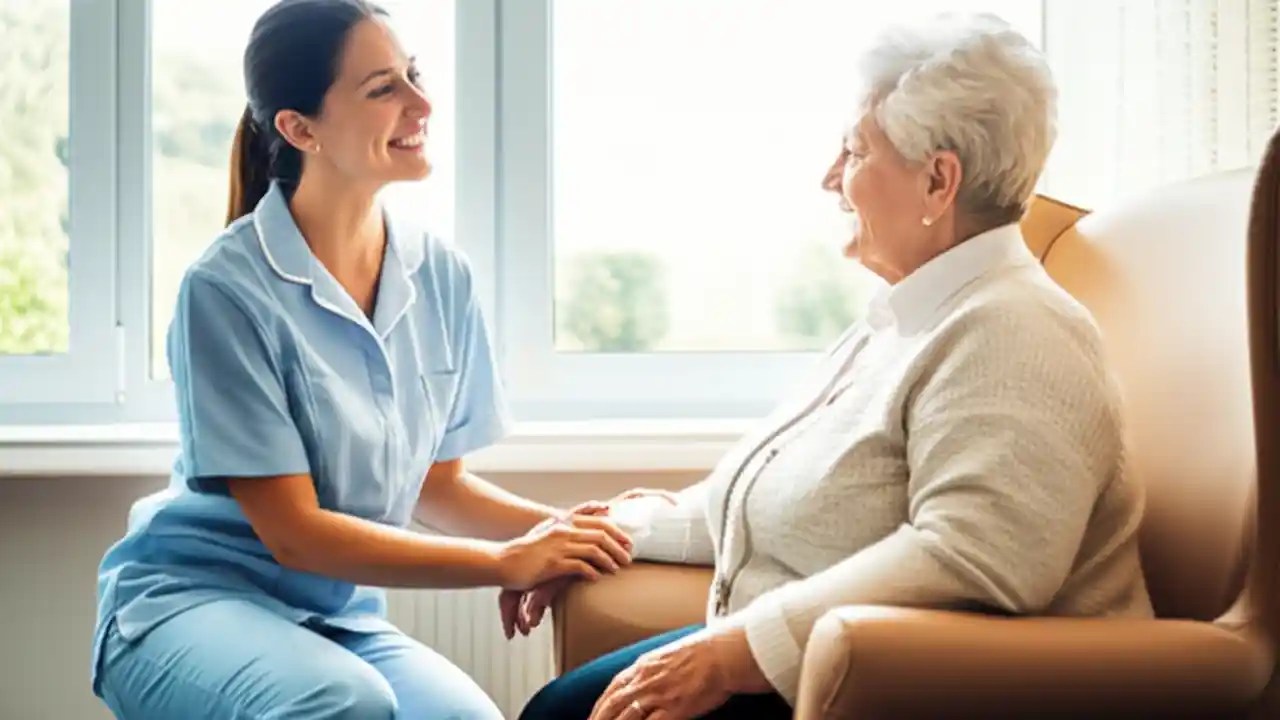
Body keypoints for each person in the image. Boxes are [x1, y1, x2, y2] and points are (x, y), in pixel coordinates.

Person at [517, 12, 1154, 720]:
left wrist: (732, 654)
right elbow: (770, 503)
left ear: (939, 181)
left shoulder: (1017, 333)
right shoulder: (907, 315)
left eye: (854, 153)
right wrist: (607, 534)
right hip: (826, 669)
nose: (830, 178)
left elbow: (974, 559)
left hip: (928, 690)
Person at [90, 1, 634, 718]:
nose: (423, 103)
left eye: (413, 75)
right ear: (298, 127)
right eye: (384, 89)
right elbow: (295, 532)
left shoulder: (441, 274)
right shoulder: (224, 290)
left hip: (334, 619)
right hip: (188, 605)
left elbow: (437, 487)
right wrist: (506, 563)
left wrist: (564, 536)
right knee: (344, 702)